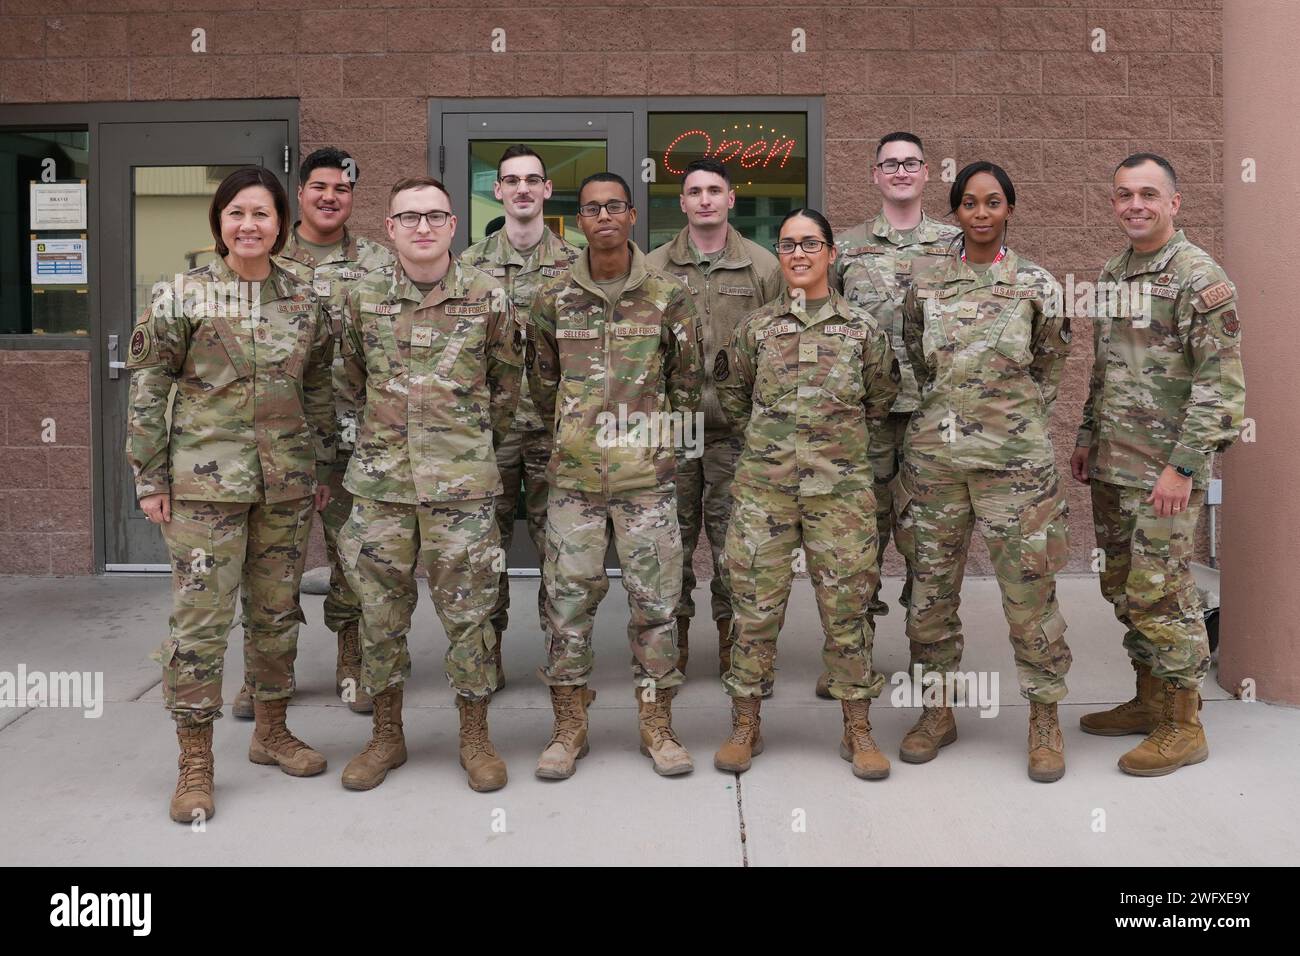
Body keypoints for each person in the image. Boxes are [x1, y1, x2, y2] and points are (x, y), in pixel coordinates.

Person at [126, 166, 335, 823]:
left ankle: (270, 731)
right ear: (219, 222)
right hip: (201, 491)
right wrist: (149, 476)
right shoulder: (182, 295)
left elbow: (321, 384)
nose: (250, 225)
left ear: (280, 224)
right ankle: (195, 760)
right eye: (237, 213)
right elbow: (148, 386)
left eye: (263, 214)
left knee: (276, 614)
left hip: (285, 484)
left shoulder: (304, 297)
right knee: (201, 623)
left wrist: (318, 466)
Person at [336, 177, 523, 793]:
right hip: (382, 489)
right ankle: (386, 735)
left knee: (470, 617)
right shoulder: (360, 298)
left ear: (452, 226)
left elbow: (506, 387)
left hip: (461, 490)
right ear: (389, 228)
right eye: (409, 217)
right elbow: (347, 383)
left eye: (435, 216)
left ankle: (474, 735)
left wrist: (462, 447)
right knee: (379, 616)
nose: (423, 227)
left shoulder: (488, 296)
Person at [895, 161, 1073, 782]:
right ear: (955, 211)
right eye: (969, 203)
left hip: (1015, 471)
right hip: (935, 469)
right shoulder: (924, 282)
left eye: (993, 202)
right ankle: (936, 711)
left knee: (1030, 598)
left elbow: (1050, 366)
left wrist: (1011, 425)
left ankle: (1044, 719)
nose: (980, 213)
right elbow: (920, 364)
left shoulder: (1037, 285)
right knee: (929, 597)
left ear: (1009, 210)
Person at [1072, 153, 1246, 776]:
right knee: (1123, 588)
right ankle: (1149, 701)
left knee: (1164, 596)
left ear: (1176, 203)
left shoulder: (1200, 278)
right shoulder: (1114, 272)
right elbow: (1105, 370)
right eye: (1123, 194)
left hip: (1163, 475)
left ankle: (1184, 722)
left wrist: (1185, 468)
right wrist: (1088, 435)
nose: (1134, 205)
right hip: (1116, 465)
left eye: (1148, 194)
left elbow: (1220, 389)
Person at [712, 208, 899, 780]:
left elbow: (879, 402)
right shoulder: (755, 329)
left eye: (810, 243)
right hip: (764, 494)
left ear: (830, 253)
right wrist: (776, 450)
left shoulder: (863, 330)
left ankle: (857, 726)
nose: (798, 254)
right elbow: (735, 400)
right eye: (788, 244)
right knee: (754, 611)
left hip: (839, 495)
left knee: (847, 612)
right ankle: (746, 724)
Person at [528, 171, 703, 779]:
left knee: (656, 605)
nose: (604, 216)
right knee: (566, 607)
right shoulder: (552, 297)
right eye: (591, 208)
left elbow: (686, 382)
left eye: (615, 206)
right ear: (578, 221)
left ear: (632, 216)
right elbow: (541, 383)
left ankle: (657, 724)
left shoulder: (666, 293)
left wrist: (659, 450)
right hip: (574, 482)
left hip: (645, 483)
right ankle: (568, 727)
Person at [246, 146, 395, 718]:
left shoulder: (381, 263)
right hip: (272, 440)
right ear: (300, 191)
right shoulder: (265, 255)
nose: (331, 196)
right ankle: (265, 675)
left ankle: (352, 660)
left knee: (353, 558)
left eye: (343, 188)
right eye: (320, 187)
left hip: (352, 440)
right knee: (265, 565)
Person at [815, 131, 961, 700]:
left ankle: (931, 672)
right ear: (874, 175)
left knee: (930, 543)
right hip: (866, 417)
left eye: (910, 163)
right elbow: (824, 324)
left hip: (932, 417)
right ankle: (853, 662)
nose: (900, 172)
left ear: (927, 174)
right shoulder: (846, 247)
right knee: (856, 542)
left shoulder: (954, 245)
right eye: (889, 164)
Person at [646, 158, 782, 683]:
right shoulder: (653, 267)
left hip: (736, 432)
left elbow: (780, 346)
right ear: (681, 203)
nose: (704, 199)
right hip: (673, 431)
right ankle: (673, 641)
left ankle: (734, 642)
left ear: (730, 199)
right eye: (694, 191)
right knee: (668, 546)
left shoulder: (763, 268)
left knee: (737, 548)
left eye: (714, 191)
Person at [461, 145, 581, 689]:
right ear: (499, 192)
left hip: (558, 431)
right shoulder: (468, 266)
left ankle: (562, 665)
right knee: (485, 552)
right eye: (512, 181)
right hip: (490, 433)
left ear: (548, 191)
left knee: (561, 552)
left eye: (534, 180)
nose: (523, 189)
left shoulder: (578, 265)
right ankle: (486, 660)